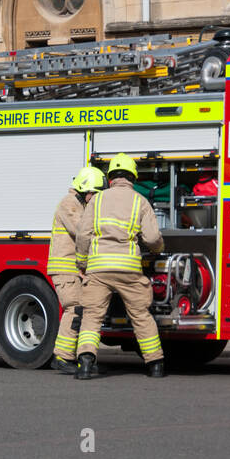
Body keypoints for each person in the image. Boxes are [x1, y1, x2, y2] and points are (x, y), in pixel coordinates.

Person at [73, 154, 165, 379]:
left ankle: (85, 363)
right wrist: (157, 250)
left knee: (92, 316)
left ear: (110, 177)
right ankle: (155, 364)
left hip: (99, 268)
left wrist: (82, 263)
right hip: (128, 269)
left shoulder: (96, 200)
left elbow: (83, 235)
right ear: (133, 176)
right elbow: (152, 238)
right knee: (141, 315)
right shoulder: (139, 201)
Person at [47, 166, 106, 374]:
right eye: (95, 193)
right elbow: (82, 231)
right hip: (65, 269)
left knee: (81, 310)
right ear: (85, 188)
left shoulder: (79, 204)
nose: (95, 198)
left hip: (73, 269)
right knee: (74, 309)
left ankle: (69, 355)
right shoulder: (69, 204)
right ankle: (62, 357)